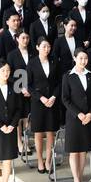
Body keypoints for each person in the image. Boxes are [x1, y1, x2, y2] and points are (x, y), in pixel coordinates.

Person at [61, 48, 91, 182]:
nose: (83, 61)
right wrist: (79, 114)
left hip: (88, 118)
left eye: (85, 59)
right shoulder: (68, 76)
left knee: (83, 151)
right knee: (74, 151)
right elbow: (65, 99)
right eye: (81, 58)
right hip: (75, 119)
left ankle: (80, 179)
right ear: (75, 58)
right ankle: (76, 181)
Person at [26, 36, 60, 174]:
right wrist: (41, 98)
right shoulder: (32, 63)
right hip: (38, 102)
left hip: (52, 101)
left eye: (49, 46)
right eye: (44, 46)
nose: (47, 49)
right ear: (37, 47)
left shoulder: (54, 61)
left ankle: (48, 160)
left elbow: (59, 82)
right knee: (39, 133)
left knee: (50, 132)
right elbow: (28, 85)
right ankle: (40, 159)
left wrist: (53, 97)